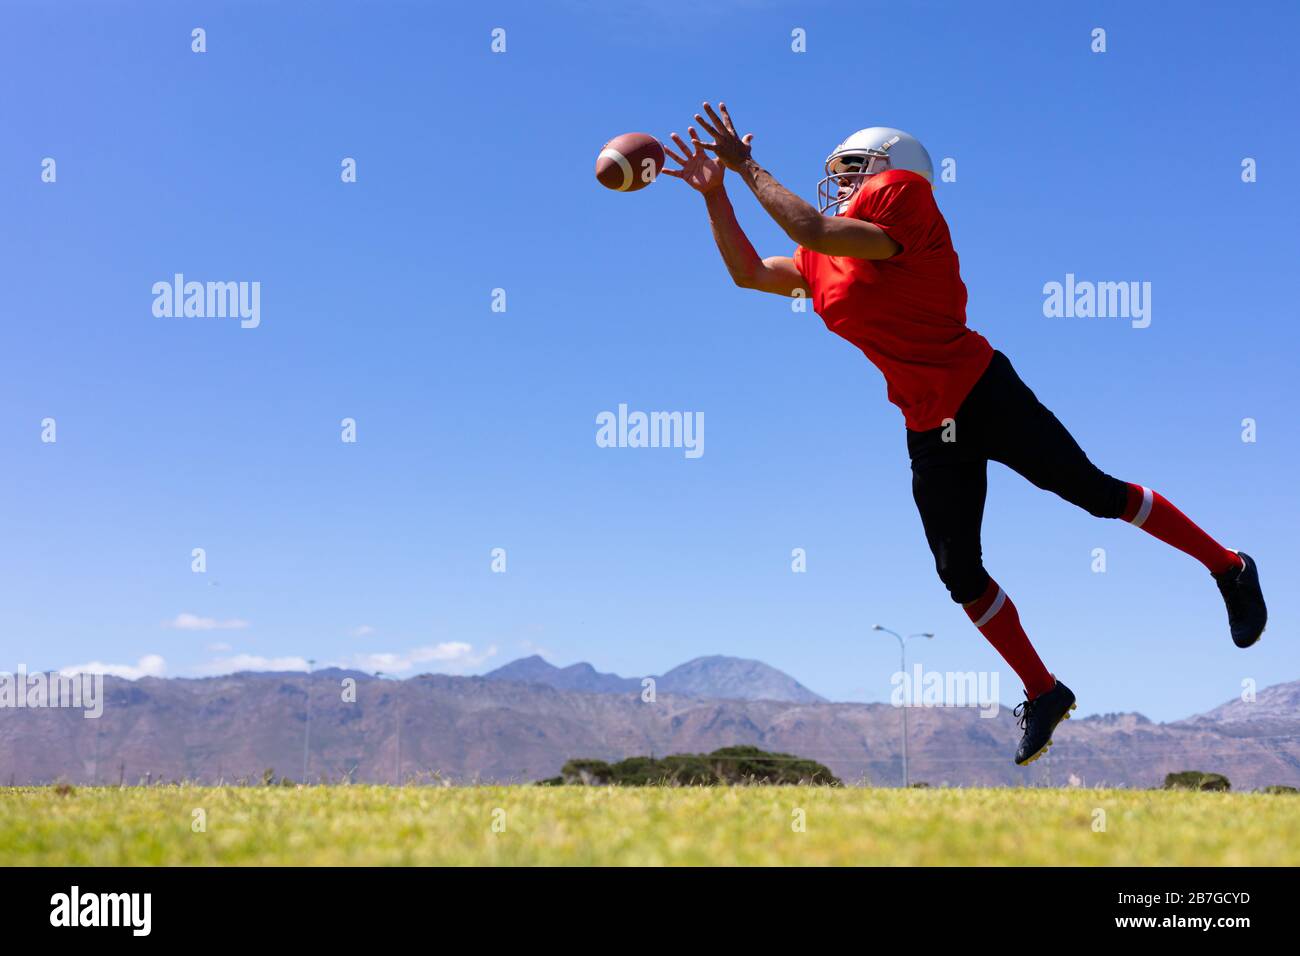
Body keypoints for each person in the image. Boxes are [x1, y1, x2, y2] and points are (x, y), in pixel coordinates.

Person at [660, 102, 1267, 765]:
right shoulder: (819, 253)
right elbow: (750, 274)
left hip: (980, 389)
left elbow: (816, 227)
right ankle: (1044, 691)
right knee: (959, 571)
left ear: (892, 166)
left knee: (1094, 493)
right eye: (837, 173)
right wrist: (717, 194)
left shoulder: (904, 197)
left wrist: (745, 164)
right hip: (926, 420)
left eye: (853, 168)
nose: (840, 181)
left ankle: (1229, 566)